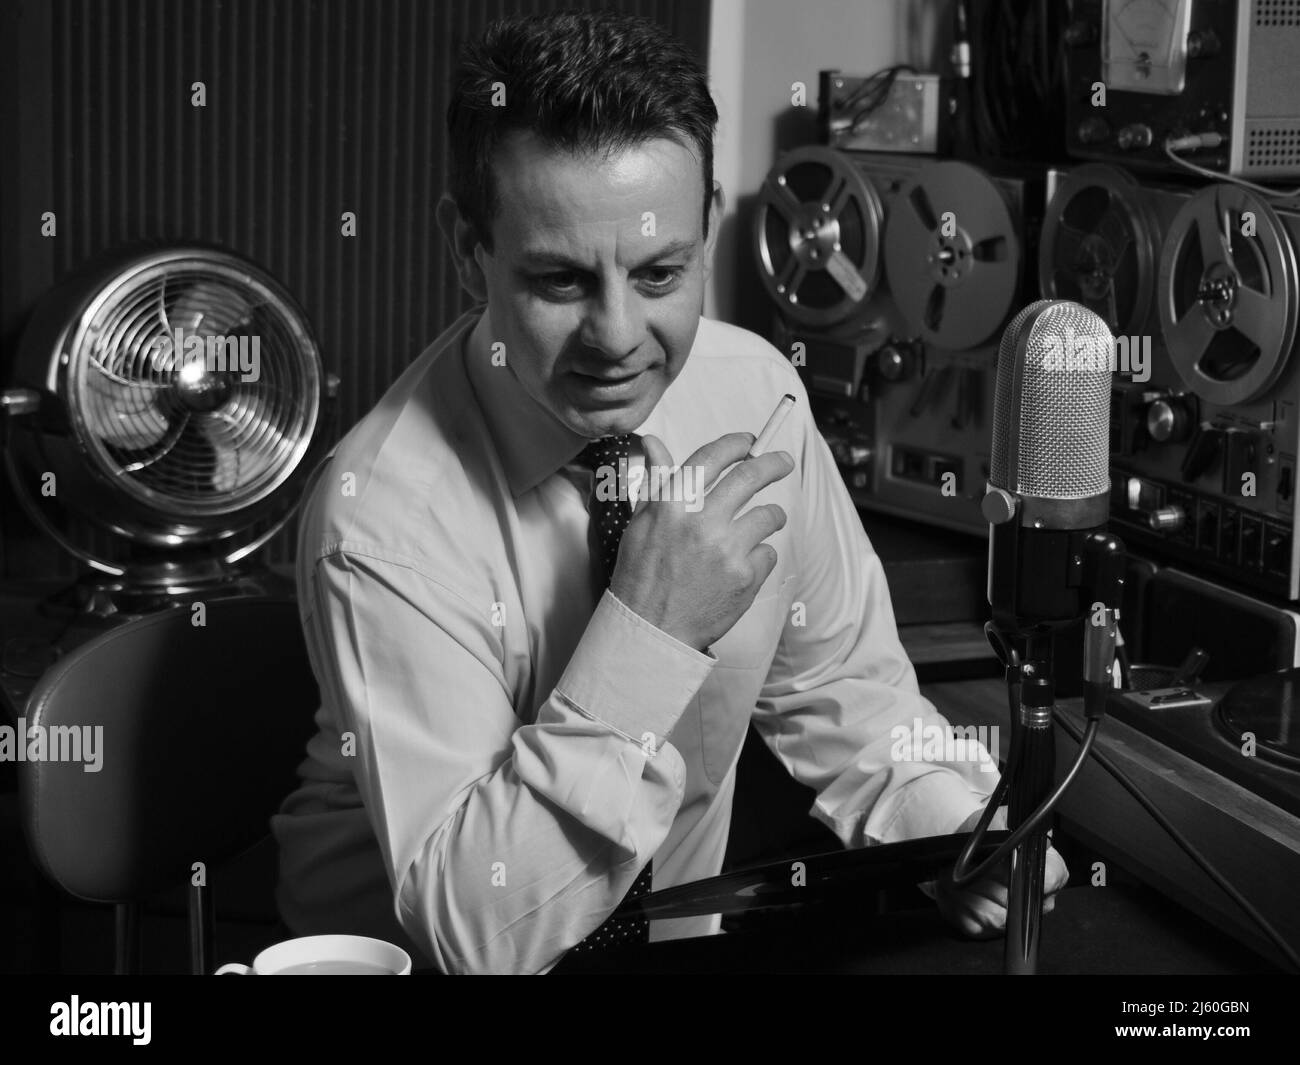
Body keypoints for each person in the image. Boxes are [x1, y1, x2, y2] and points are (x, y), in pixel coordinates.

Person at [271, 9, 1067, 975]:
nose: (617, 336)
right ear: (466, 249)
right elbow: (471, 930)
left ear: (708, 228)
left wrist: (949, 830)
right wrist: (647, 631)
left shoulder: (758, 399)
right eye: (560, 280)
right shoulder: (381, 520)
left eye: (659, 273)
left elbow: (840, 688)